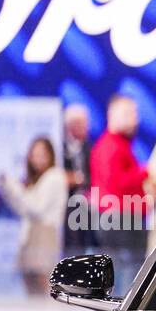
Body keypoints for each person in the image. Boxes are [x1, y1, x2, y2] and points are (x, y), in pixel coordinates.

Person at [89, 94, 149, 295]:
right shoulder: (110, 147)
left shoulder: (118, 145)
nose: (135, 119)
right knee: (127, 270)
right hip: (120, 218)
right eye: (129, 113)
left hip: (123, 217)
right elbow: (116, 184)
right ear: (112, 115)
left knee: (126, 269)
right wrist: (147, 171)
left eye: (135, 113)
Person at [0, 137, 67, 295]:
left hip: (44, 235)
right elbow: (24, 210)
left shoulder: (54, 176)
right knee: (30, 288)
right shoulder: (37, 180)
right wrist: (9, 191)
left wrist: (13, 186)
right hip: (30, 235)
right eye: (34, 154)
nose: (38, 159)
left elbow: (36, 208)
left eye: (42, 154)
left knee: (45, 289)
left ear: (51, 155)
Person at [62, 104, 92, 256]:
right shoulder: (59, 147)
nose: (87, 127)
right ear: (70, 125)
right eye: (82, 124)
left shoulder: (89, 147)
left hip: (87, 205)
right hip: (65, 205)